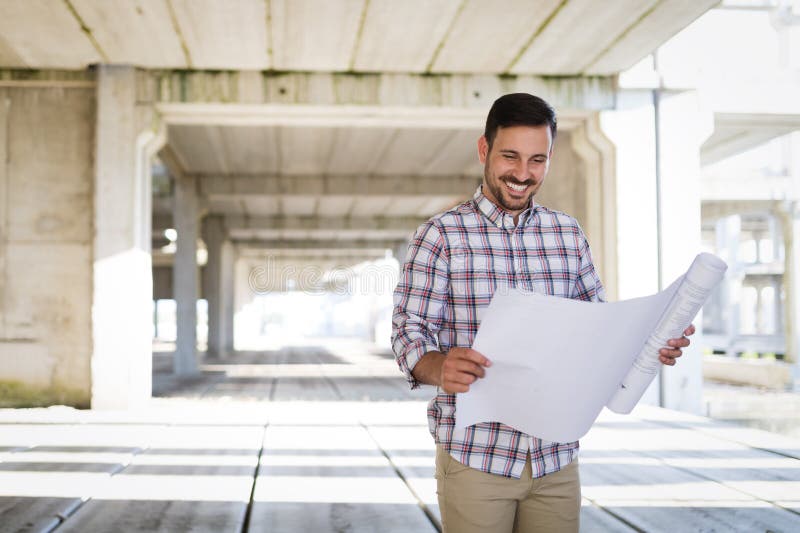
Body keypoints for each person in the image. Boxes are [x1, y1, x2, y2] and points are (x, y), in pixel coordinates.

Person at [390, 93, 694, 533]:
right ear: (484, 150)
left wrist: (652, 344)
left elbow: (598, 332)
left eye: (538, 159)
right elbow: (407, 332)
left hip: (556, 460)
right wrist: (439, 366)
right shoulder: (441, 236)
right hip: (476, 458)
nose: (522, 173)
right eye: (510, 156)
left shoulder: (567, 234)